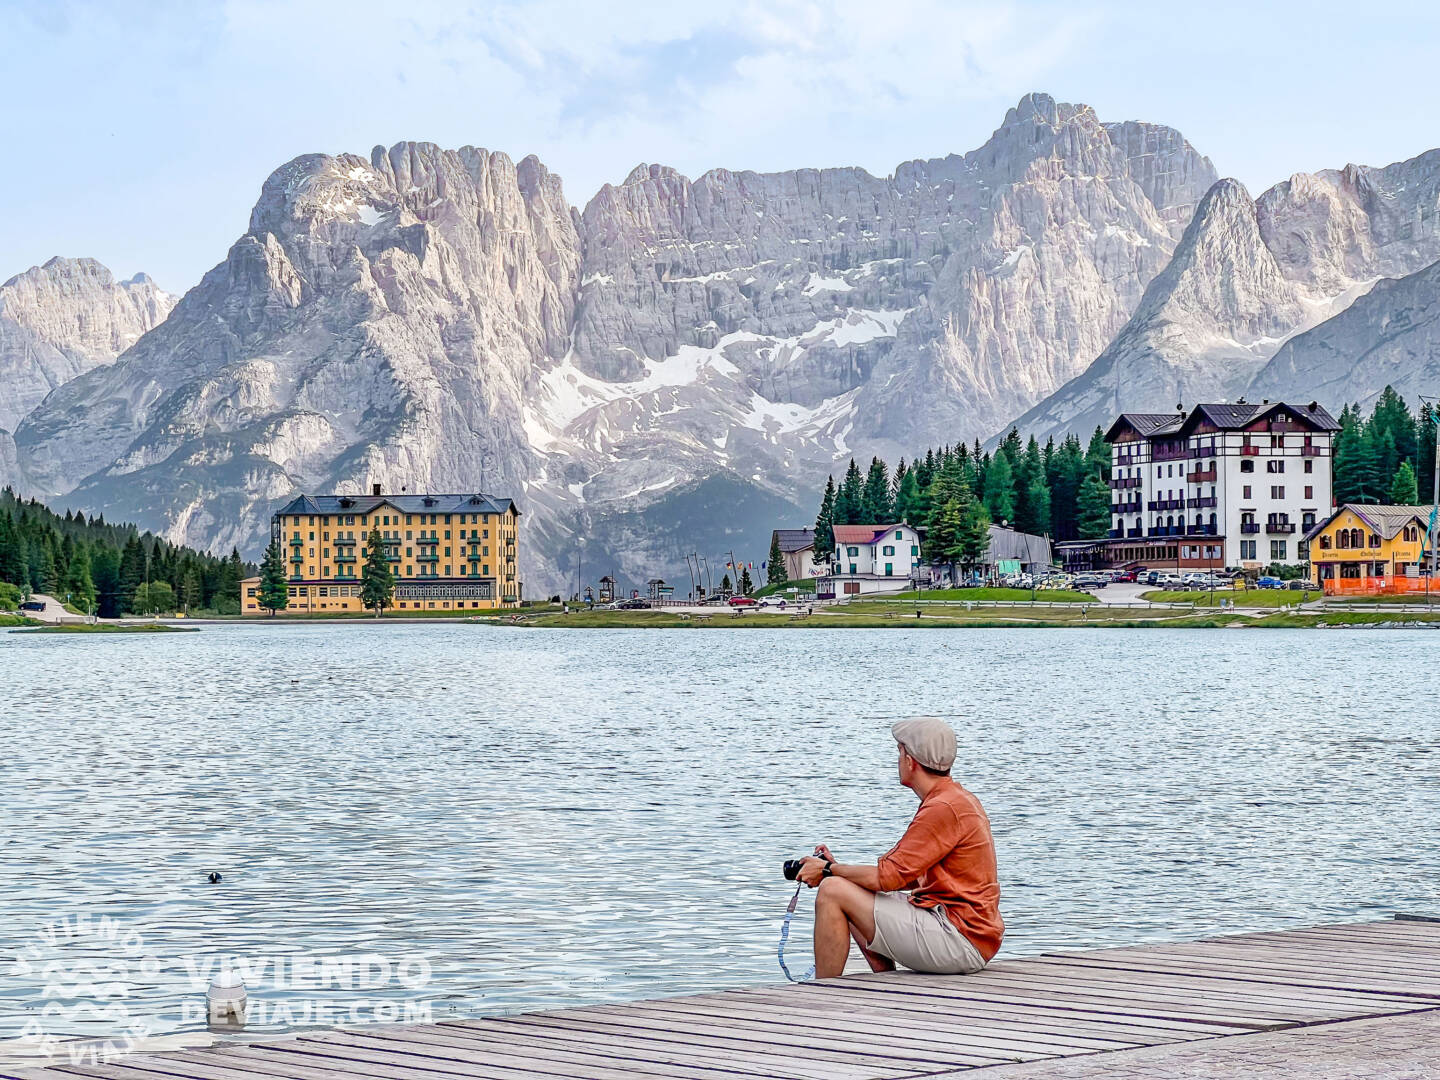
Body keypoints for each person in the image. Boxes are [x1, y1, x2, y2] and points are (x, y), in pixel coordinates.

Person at [796, 717, 1003, 978]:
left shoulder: (943, 808)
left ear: (910, 761)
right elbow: (904, 877)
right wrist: (837, 870)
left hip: (960, 941)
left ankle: (822, 993)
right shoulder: (954, 800)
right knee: (849, 888)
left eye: (900, 752)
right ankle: (886, 981)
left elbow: (887, 877)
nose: (898, 760)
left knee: (833, 891)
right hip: (967, 937)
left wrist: (828, 871)